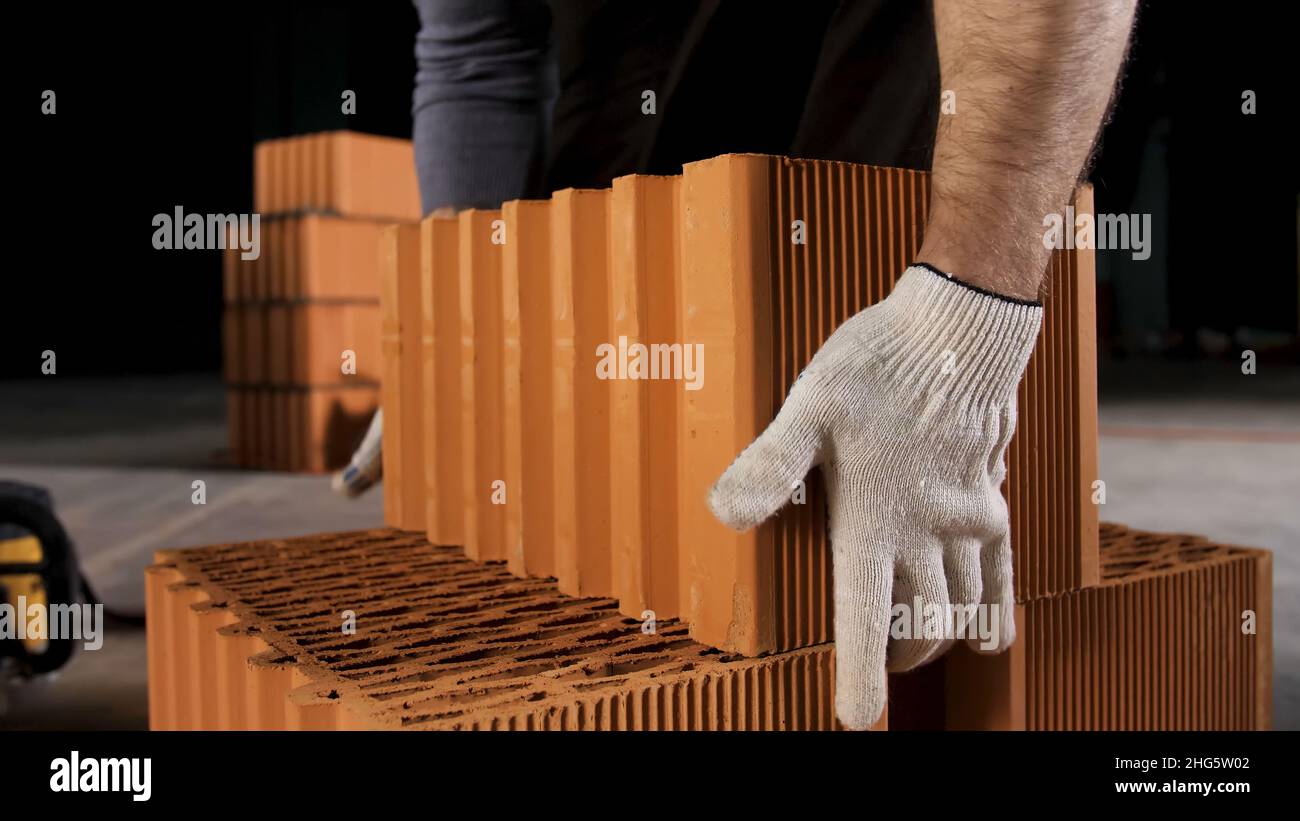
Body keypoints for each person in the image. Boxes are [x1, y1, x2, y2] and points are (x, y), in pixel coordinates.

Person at [339, 0, 1140, 729]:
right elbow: (476, 48)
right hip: (627, 60)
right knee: (641, 507)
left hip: (898, 43)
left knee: (812, 514)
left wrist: (964, 326)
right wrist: (458, 319)